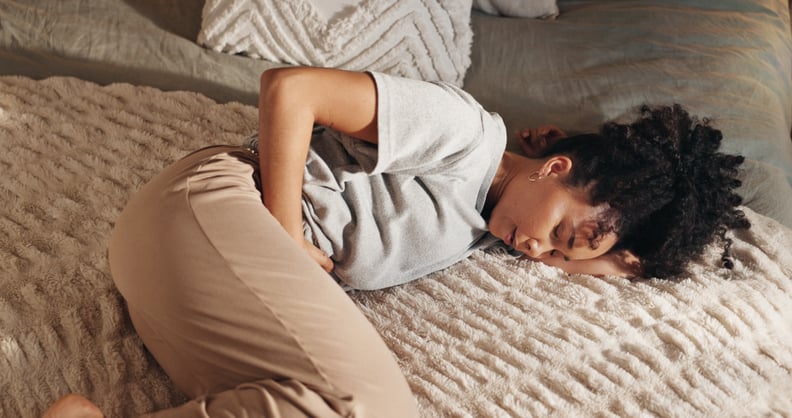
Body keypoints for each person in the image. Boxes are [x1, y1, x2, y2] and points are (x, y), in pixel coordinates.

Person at [42, 66, 748, 417]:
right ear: (556, 167)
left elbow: (608, 255)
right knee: (370, 405)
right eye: (559, 233)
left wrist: (634, 255)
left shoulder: (485, 226)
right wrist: (285, 229)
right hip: (212, 209)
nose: (542, 252)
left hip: (185, 277)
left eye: (562, 256)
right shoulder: (466, 135)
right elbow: (290, 89)